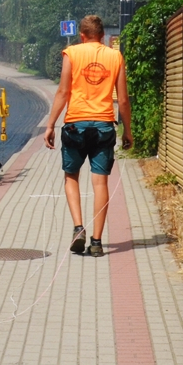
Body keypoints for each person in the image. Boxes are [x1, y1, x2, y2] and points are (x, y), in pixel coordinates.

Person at [42, 14, 132, 256]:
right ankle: (97, 242)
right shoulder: (115, 56)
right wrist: (128, 132)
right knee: (100, 182)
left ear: (82, 36)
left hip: (75, 126)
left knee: (71, 176)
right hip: (104, 126)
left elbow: (63, 91)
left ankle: (78, 228)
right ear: (103, 36)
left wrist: (50, 125)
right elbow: (122, 99)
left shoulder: (71, 53)